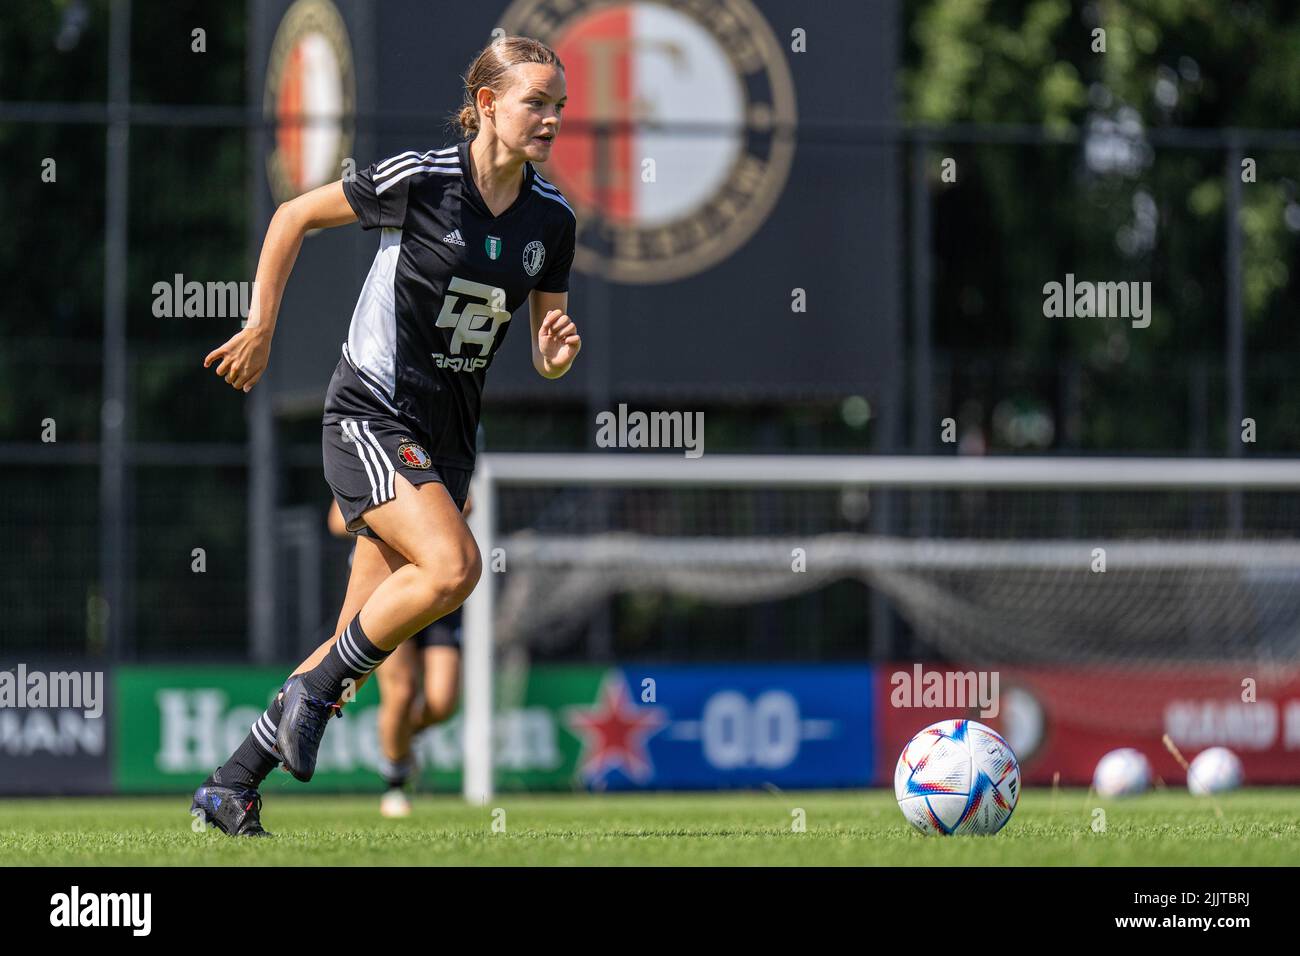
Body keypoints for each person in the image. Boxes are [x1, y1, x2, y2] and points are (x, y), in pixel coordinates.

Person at [191, 35, 578, 836]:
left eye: (559, 107)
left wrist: (553, 356)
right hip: (372, 413)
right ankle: (310, 697)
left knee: (349, 644)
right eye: (535, 102)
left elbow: (544, 345)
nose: (550, 119)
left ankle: (231, 786)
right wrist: (261, 322)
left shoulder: (553, 218)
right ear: (485, 107)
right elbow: (294, 214)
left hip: (449, 442)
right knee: (456, 566)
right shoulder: (424, 179)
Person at [326, 496, 468, 818]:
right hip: (387, 583)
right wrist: (397, 515)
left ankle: (401, 735)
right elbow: (337, 519)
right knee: (401, 692)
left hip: (438, 581)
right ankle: (395, 782)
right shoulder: (377, 452)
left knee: (442, 702)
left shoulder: (446, 451)